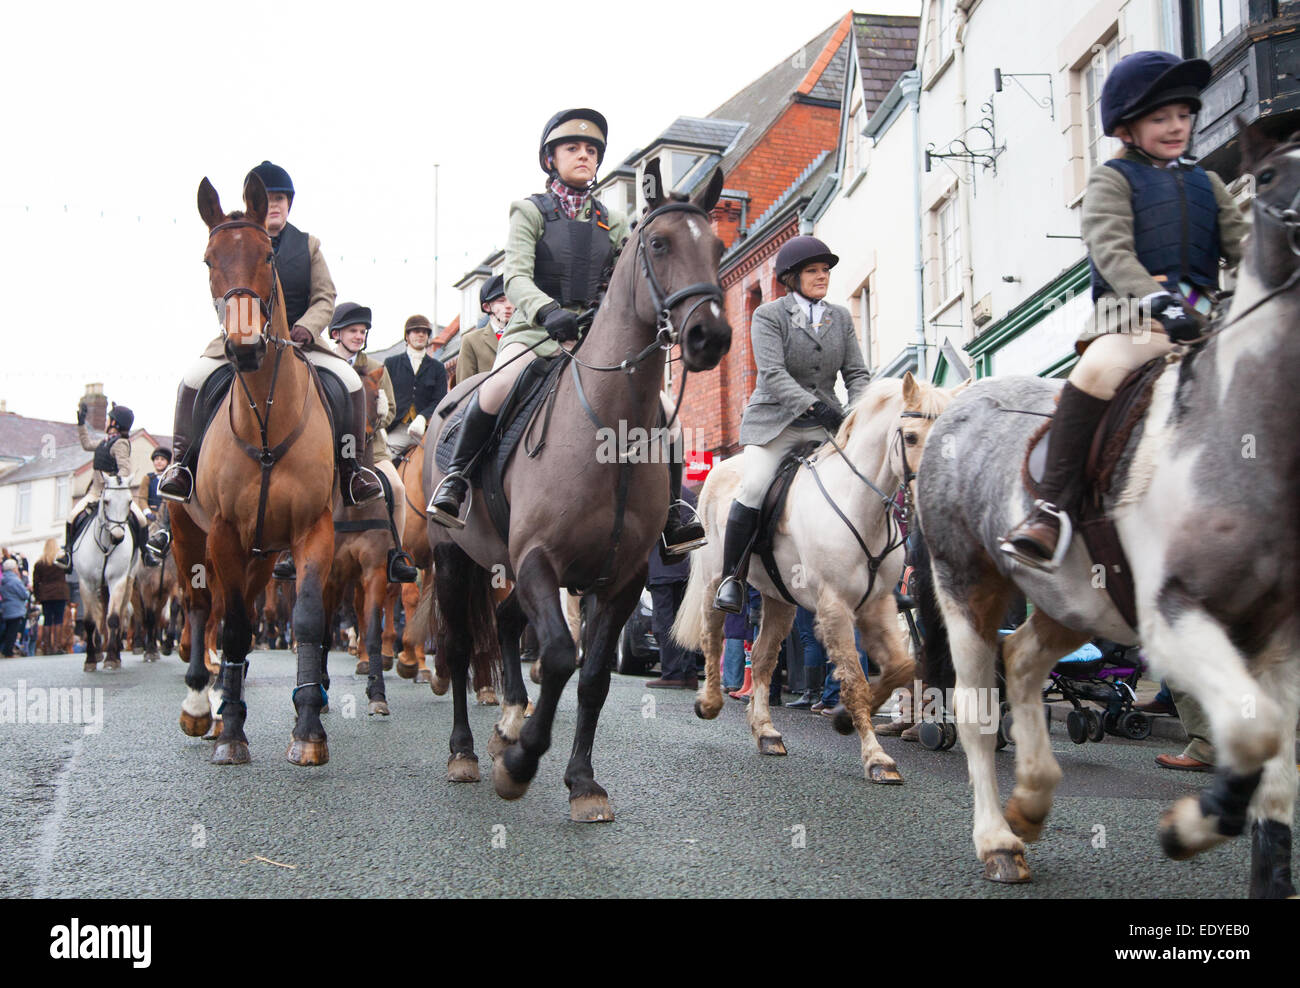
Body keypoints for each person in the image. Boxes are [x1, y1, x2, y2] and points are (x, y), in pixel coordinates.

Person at [1001, 51, 1249, 566]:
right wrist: (1160, 300)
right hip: (1135, 323)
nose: (1176, 126)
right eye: (1160, 117)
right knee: (1096, 370)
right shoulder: (1111, 179)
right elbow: (1112, 250)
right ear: (1128, 128)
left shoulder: (1210, 185)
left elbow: (1244, 246)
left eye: (1183, 114)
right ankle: (1050, 508)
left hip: (1206, 323)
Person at [428, 107, 706, 560]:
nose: (584, 155)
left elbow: (620, 282)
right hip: (534, 333)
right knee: (494, 389)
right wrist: (547, 310)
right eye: (573, 148)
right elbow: (516, 276)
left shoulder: (614, 222)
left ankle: (674, 511)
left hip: (594, 342)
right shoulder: (529, 212)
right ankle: (457, 481)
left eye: (592, 150)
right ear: (550, 159)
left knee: (668, 417)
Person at [157, 159, 381, 508]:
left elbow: (325, 296)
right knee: (192, 379)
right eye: (270, 198)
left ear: (288, 204)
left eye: (281, 199)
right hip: (242, 337)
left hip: (300, 341)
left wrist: (307, 326)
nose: (275, 205)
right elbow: (222, 290)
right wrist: (235, 326)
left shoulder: (308, 245)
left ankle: (352, 470)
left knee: (349, 380)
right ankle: (182, 466)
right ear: (256, 204)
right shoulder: (237, 240)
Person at [713, 236, 871, 612]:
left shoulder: (841, 317)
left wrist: (856, 411)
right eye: (813, 271)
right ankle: (731, 579)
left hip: (827, 425)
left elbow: (857, 373)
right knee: (752, 488)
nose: (822, 277)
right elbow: (772, 374)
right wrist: (816, 407)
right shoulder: (768, 316)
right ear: (791, 277)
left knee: (864, 480)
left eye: (825, 271)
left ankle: (877, 578)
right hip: (776, 423)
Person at [275, 302, 419, 584]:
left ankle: (395, 554)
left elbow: (390, 409)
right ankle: (290, 553)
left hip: (371, 447)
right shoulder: (321, 364)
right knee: (301, 493)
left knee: (398, 489)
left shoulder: (378, 367)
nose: (359, 336)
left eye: (363, 331)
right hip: (325, 448)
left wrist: (378, 416)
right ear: (336, 334)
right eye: (353, 331)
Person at [56, 402, 149, 570]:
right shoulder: (104, 441)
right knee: (72, 516)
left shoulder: (120, 443)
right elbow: (86, 444)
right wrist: (81, 424)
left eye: (109, 419)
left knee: (141, 519)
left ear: (115, 423)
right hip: (95, 492)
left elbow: (125, 469)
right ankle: (68, 553)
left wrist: (114, 485)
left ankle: (146, 553)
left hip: (115, 496)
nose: (106, 421)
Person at [645, 483, 702, 689]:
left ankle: (672, 673)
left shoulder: (655, 491)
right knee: (683, 620)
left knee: (664, 623)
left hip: (662, 567)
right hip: (686, 567)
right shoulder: (688, 494)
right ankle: (689, 673)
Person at [384, 315, 448, 454]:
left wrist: (423, 417)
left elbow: (440, 400)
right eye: (416, 331)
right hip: (397, 428)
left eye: (424, 332)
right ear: (407, 336)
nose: (420, 334)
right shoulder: (391, 363)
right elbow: (384, 396)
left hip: (426, 430)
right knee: (382, 461)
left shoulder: (438, 367)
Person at [450, 275, 513, 387]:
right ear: (487, 307)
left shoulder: (525, 336)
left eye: (511, 300)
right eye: (501, 301)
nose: (508, 306)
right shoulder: (471, 341)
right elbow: (465, 386)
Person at [31, 540, 70, 655]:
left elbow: (36, 582)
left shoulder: (40, 563)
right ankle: (57, 646)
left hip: (46, 595)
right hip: (60, 593)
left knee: (47, 620)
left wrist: (37, 596)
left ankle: (47, 647)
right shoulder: (60, 562)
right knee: (58, 619)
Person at [139, 447, 172, 561]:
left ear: (167, 462)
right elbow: (142, 498)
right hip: (152, 517)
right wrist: (148, 513)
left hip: (167, 518)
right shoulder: (148, 478)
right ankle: (145, 556)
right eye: (157, 459)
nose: (159, 461)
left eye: (162, 459)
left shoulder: (171, 478)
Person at [1, 558, 30, 657]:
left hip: (6, 608)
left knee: (7, 631)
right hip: (15, 609)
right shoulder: (15, 580)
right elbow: (24, 594)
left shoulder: (3, 579)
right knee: (12, 632)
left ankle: (5, 650)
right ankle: (8, 651)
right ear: (14, 568)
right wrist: (27, 591)